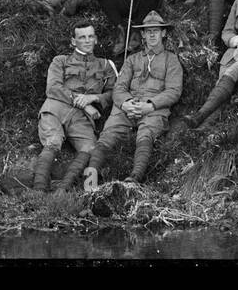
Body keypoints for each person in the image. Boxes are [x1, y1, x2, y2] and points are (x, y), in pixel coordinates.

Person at [75, 10, 184, 188]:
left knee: (146, 134)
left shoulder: (171, 60)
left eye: (156, 30)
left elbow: (174, 91)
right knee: (106, 138)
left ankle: (134, 179)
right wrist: (125, 103)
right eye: (148, 31)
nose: (152, 34)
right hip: (126, 106)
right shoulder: (132, 60)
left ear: (163, 33)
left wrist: (150, 105)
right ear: (142, 34)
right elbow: (119, 87)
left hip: (153, 107)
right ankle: (89, 185)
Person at [35, 20, 115, 192]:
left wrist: (94, 98)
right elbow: (53, 88)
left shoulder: (106, 65)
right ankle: (38, 191)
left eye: (90, 36)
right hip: (56, 108)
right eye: (82, 37)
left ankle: (64, 190)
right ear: (73, 41)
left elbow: (113, 94)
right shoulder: (60, 61)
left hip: (81, 119)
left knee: (91, 149)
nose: (87, 41)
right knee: (53, 141)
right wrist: (84, 103)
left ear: (95, 39)